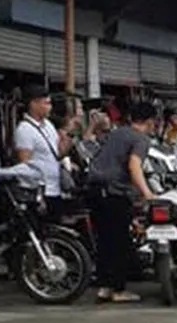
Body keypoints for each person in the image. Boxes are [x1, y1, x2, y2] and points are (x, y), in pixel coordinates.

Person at [84, 101, 156, 304]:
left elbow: (90, 145)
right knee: (121, 242)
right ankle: (118, 289)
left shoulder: (116, 133)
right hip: (114, 193)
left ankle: (104, 288)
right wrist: (148, 194)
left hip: (94, 191)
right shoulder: (141, 139)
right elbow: (134, 167)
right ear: (150, 122)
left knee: (105, 241)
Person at [14, 84, 77, 218]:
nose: (50, 107)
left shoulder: (48, 125)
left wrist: (69, 135)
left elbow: (58, 154)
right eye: (46, 103)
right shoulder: (24, 130)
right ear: (33, 104)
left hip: (55, 190)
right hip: (40, 194)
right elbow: (25, 164)